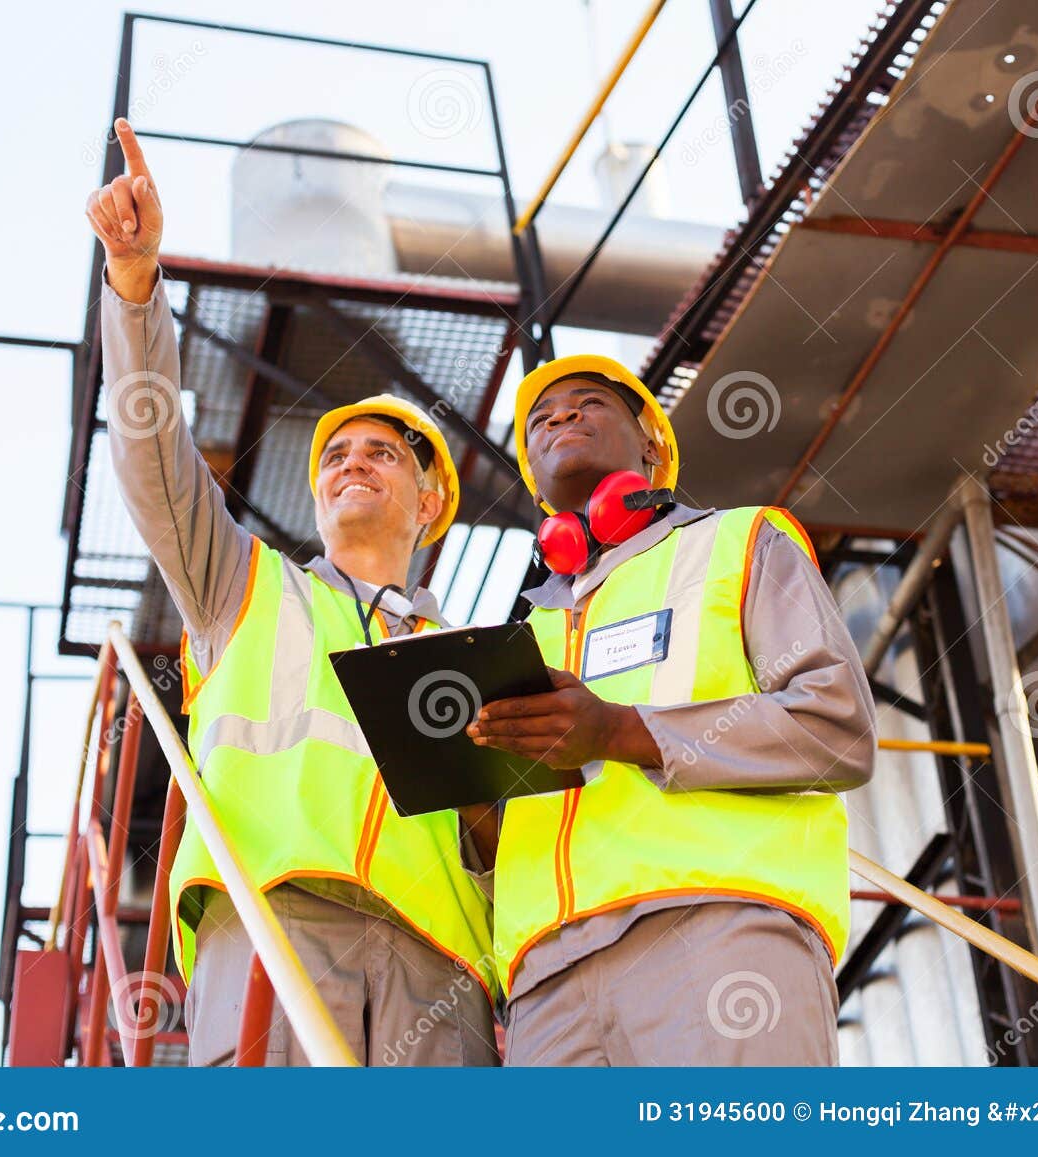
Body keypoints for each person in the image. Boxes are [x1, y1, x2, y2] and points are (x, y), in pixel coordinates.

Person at [85, 118, 497, 1066]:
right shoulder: (245, 586)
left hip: (439, 965)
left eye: (382, 454)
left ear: (430, 497)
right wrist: (138, 285)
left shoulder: (475, 654)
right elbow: (155, 463)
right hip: (272, 927)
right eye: (337, 455)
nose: (354, 465)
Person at [466, 355, 875, 1066]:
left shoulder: (739, 543)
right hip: (545, 987)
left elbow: (836, 727)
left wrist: (621, 730)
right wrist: (467, 791)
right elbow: (501, 844)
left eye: (588, 402)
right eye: (539, 418)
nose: (559, 416)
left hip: (717, 928)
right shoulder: (517, 642)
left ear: (652, 445)